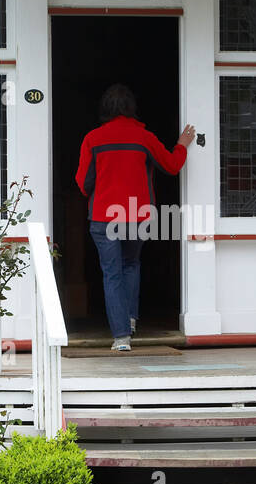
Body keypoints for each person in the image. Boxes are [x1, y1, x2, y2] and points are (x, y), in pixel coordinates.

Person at [76, 83, 195, 351]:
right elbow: (172, 166)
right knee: (131, 265)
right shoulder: (144, 138)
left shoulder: (93, 139)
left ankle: (121, 338)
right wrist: (181, 145)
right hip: (138, 216)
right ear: (132, 109)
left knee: (112, 274)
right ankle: (129, 320)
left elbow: (83, 183)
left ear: (105, 109)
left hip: (104, 217)